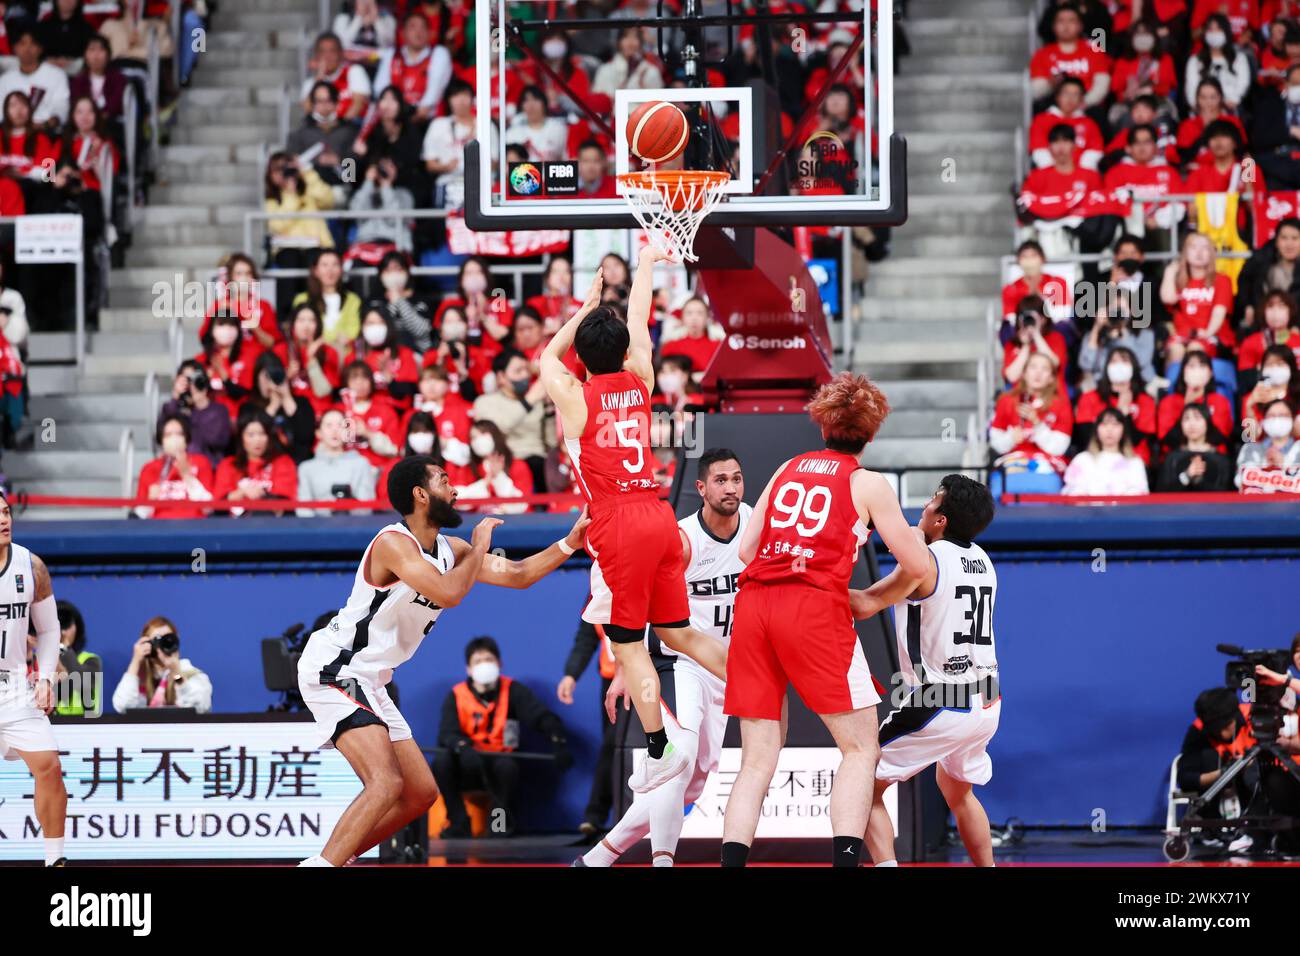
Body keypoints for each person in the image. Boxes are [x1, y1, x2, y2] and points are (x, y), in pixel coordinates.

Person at [293, 456, 590, 866]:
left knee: (419, 794)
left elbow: (519, 575)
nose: (456, 489)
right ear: (420, 494)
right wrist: (481, 543)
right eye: (445, 480)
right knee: (384, 783)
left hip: (370, 678)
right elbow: (450, 593)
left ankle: (333, 857)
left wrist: (569, 543)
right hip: (336, 668)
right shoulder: (393, 543)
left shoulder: (453, 550)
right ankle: (325, 864)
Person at [720, 372, 932, 867]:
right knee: (860, 750)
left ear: (822, 425)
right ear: (871, 432)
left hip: (753, 605)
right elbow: (918, 567)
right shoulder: (868, 483)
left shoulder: (787, 467)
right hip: (812, 608)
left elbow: (746, 550)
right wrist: (875, 599)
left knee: (756, 759)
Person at [540, 251, 729, 795]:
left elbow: (548, 356)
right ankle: (755, 680)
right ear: (623, 350)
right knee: (676, 630)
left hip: (618, 523)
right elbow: (642, 315)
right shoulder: (641, 377)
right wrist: (646, 262)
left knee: (628, 645)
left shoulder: (574, 397)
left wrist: (583, 308)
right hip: (661, 515)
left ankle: (658, 747)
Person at [579, 448, 750, 867]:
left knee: (694, 782)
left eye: (736, 478)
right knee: (681, 760)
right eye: (720, 480)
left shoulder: (754, 527)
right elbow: (638, 601)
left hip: (728, 668)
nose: (730, 487)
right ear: (701, 488)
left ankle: (596, 859)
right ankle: (661, 861)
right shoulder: (681, 538)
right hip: (683, 662)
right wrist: (624, 666)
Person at [849, 475, 1000, 867]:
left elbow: (864, 605)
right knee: (958, 792)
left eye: (933, 501)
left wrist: (807, 585)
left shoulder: (925, 561)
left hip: (942, 698)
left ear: (941, 520)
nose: (925, 506)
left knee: (859, 782)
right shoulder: (983, 560)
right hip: (988, 698)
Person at [433, 636, 572, 837]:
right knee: (442, 762)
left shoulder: (514, 690)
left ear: (499, 663)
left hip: (500, 763)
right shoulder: (456, 695)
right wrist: (462, 747)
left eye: (488, 660)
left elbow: (541, 716)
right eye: (477, 661)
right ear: (469, 669)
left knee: (506, 767)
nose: (484, 665)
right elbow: (447, 732)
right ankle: (458, 822)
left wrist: (558, 740)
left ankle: (499, 823)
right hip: (467, 762)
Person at [0, 489, 67, 865]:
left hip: (12, 686)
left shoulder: (31, 565)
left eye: (6, 511)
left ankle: (55, 860)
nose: (4, 519)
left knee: (49, 767)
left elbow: (49, 631)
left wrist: (44, 678)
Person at [111, 617, 212, 713]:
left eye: (168, 640)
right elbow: (123, 706)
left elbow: (199, 707)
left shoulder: (190, 673)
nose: (163, 645)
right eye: (157, 640)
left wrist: (176, 673)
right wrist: (136, 662)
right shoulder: (141, 680)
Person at [214, 411, 298, 516]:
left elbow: (284, 504)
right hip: (233, 527)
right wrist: (242, 493)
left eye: (262, 433)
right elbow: (218, 505)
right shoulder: (228, 464)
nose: (257, 440)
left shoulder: (283, 462)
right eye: (251, 435)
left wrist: (261, 495)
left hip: (272, 525)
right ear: (241, 437)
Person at [295, 408, 377, 515]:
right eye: (329, 425)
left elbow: (366, 506)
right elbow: (303, 509)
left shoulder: (361, 463)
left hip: (355, 527)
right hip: (316, 529)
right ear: (318, 433)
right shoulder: (306, 468)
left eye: (340, 425)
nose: (334, 430)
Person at [239, 351, 315, 463]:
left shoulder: (301, 402)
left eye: (274, 376)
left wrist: (287, 397)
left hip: (299, 463)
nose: (270, 382)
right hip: (265, 466)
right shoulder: (248, 407)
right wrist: (273, 406)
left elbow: (306, 437)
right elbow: (254, 436)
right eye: (266, 376)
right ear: (257, 378)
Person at [135, 415, 215, 519]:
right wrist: (150, 500)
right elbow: (140, 514)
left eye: (179, 434)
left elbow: (209, 508)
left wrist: (187, 476)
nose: (174, 439)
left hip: (194, 525)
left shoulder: (201, 462)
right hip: (159, 527)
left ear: (186, 438)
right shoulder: (149, 468)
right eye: (168, 435)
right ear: (161, 440)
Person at [1062, 406, 1151, 495]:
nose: (1109, 430)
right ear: (1097, 429)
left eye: (1115, 424)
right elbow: (1072, 491)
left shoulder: (1134, 462)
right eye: (1104, 424)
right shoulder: (1083, 459)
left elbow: (1140, 493)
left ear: (1123, 430)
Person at [1157, 403, 1234, 491]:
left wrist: (1199, 481)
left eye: (1197, 418)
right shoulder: (1172, 458)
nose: (1191, 424)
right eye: (1186, 418)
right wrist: (1187, 476)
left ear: (1207, 423)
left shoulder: (1221, 460)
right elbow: (1162, 494)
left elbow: (1227, 496)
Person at [53, 599, 99, 717]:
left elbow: (86, 685)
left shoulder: (91, 660)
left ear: (77, 627)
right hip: (49, 725)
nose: (62, 631)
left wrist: (65, 648)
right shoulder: (40, 660)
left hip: (83, 726)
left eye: (66, 624)